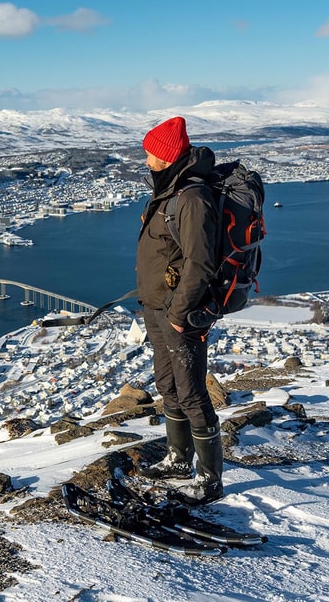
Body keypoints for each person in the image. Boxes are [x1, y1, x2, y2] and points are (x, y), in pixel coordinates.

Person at [134, 116, 224, 505]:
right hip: (156, 306)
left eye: (152, 151)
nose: (147, 157)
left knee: (191, 393)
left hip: (179, 313)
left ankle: (210, 478)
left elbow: (200, 263)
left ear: (167, 156)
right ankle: (177, 458)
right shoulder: (167, 190)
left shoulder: (191, 198)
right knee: (168, 385)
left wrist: (178, 312)